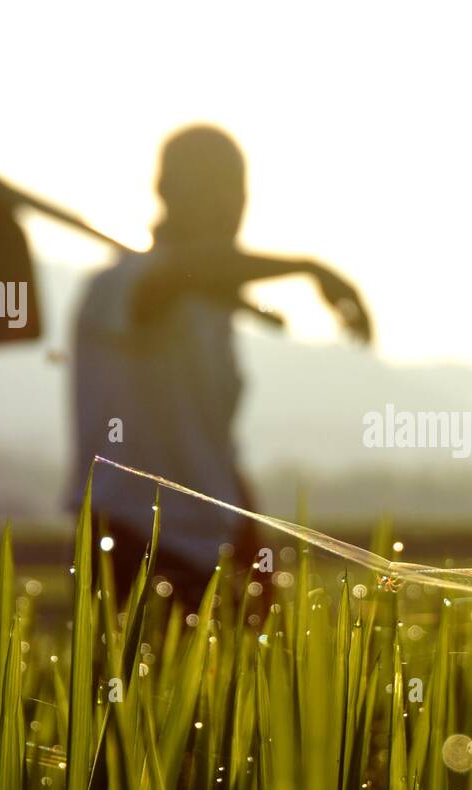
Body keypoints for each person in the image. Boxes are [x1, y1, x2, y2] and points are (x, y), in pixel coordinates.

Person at [68, 125, 371, 607]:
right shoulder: (122, 288)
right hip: (133, 546)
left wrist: (247, 528)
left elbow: (212, 445)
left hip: (214, 545)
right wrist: (311, 268)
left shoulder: (210, 307)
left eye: (237, 190)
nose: (230, 206)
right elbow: (178, 274)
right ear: (165, 190)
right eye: (210, 189)